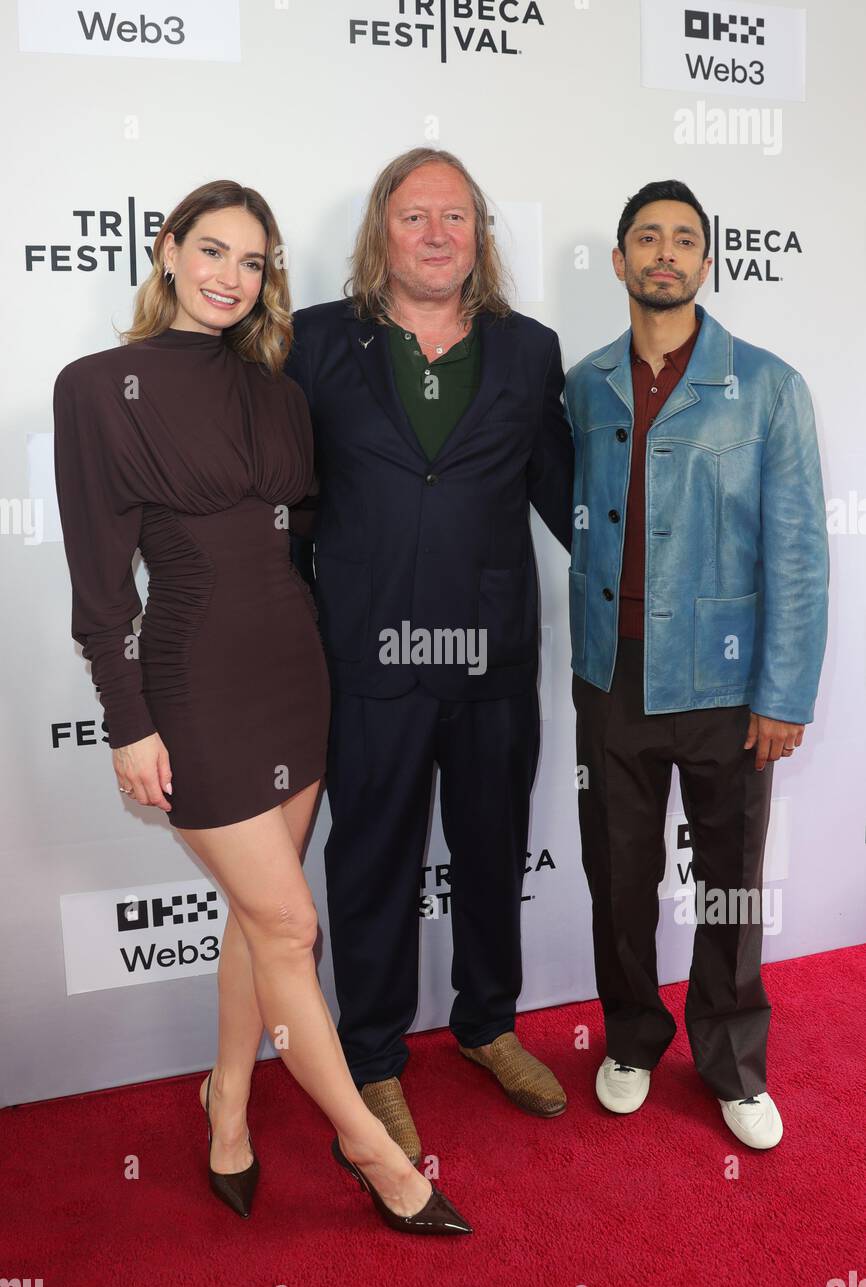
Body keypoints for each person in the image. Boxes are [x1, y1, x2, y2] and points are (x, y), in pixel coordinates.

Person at [52, 179, 471, 1236]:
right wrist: (127, 718)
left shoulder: (278, 392)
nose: (230, 278)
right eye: (212, 251)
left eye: (253, 262)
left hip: (294, 671)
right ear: (166, 249)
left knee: (257, 919)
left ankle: (226, 1107)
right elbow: (102, 588)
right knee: (290, 923)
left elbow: (307, 536)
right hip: (193, 685)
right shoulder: (99, 387)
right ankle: (373, 1152)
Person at [285, 148, 574, 1161]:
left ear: (480, 236)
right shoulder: (312, 343)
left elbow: (562, 495)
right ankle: (370, 1058)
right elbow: (286, 507)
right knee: (371, 860)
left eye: (456, 216)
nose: (437, 233)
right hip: (366, 658)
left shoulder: (530, 350)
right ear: (380, 233)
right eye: (415, 217)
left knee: (492, 849)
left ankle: (488, 1022)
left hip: (492, 656)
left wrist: (649, 583)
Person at [564, 179, 829, 1149]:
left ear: (707, 261)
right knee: (618, 874)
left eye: (683, 238)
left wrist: (781, 692)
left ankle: (728, 1059)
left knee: (727, 882)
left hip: (726, 687)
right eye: (646, 237)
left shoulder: (766, 386)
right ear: (620, 262)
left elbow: (798, 552)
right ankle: (630, 1036)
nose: (663, 252)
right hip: (612, 679)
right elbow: (575, 514)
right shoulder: (584, 384)